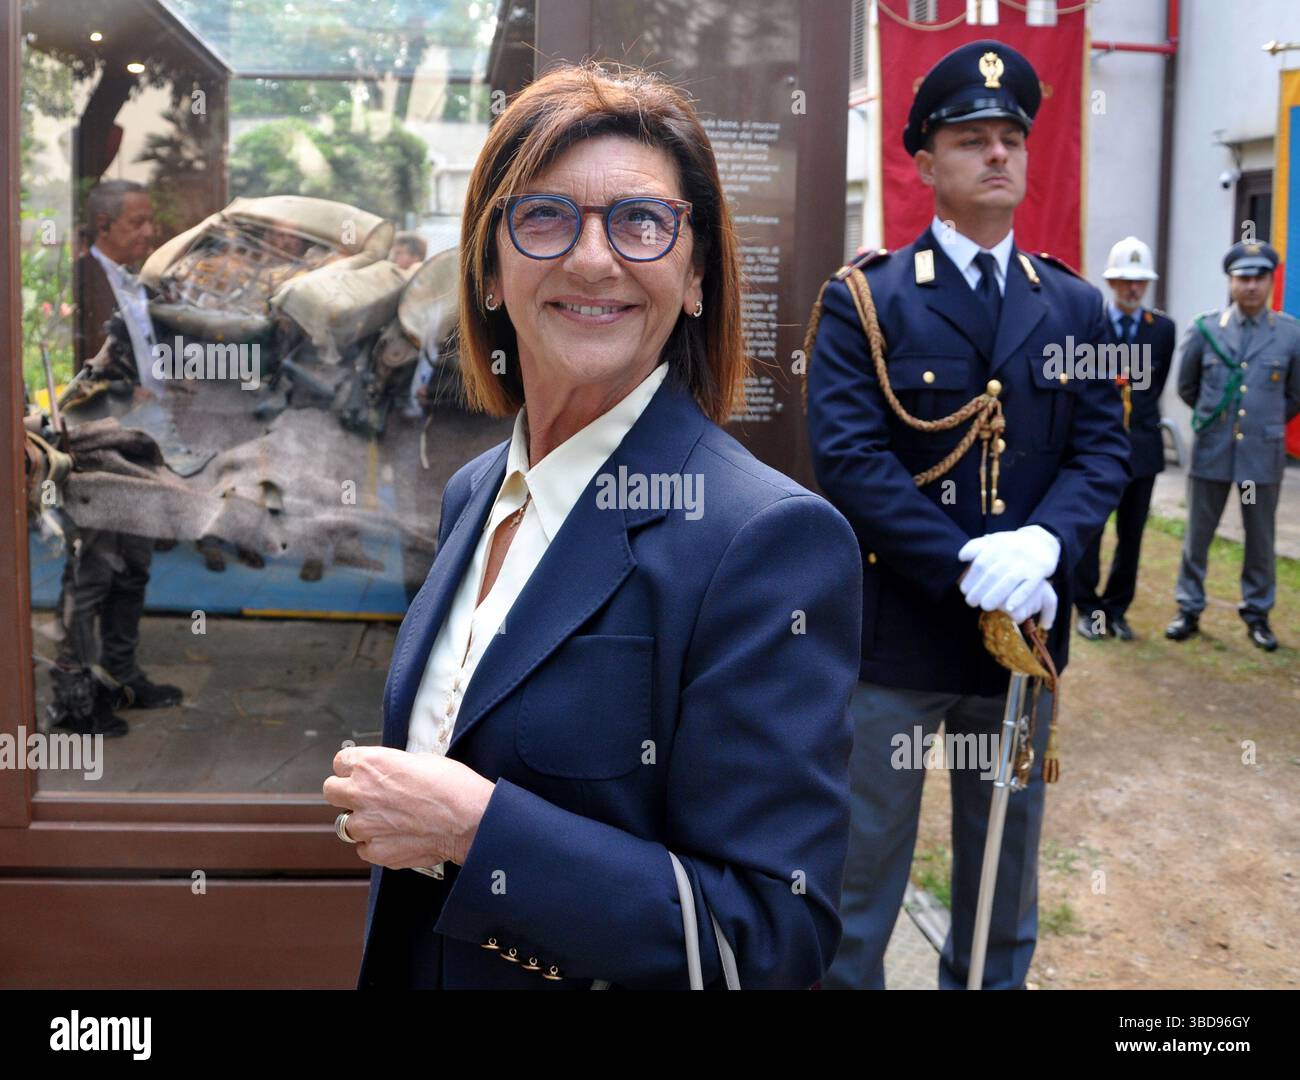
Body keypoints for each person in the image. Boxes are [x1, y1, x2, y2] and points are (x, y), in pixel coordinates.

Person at [325, 61, 863, 989]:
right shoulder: (477, 491)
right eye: (544, 216)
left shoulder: (767, 541)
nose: (592, 259)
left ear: (695, 276)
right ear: (490, 267)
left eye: (642, 222)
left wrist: (470, 828)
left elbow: (768, 941)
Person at [806, 40, 1129, 989]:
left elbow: (1102, 449)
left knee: (1003, 874)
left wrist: (1044, 542)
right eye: (971, 139)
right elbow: (851, 461)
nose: (996, 155)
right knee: (862, 877)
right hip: (899, 639)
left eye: (1011, 140)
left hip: (1022, 641)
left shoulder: (1074, 308)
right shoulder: (868, 302)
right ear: (927, 160)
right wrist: (960, 563)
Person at [50, 180, 182, 738]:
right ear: (103, 228)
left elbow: (142, 354)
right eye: (137, 223)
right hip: (96, 449)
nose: (149, 232)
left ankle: (122, 677)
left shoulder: (136, 283)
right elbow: (75, 373)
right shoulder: (80, 281)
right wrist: (128, 395)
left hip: (140, 446)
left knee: (133, 569)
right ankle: (75, 701)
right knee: (91, 576)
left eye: (150, 221)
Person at [1166, 240, 1300, 651]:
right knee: (1198, 535)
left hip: (1260, 456)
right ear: (1231, 281)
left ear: (1270, 281)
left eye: (1259, 277)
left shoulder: (1290, 334)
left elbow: (1294, 395)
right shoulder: (1205, 329)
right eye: (1243, 278)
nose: (1251, 286)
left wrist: (1264, 423)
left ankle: (1257, 613)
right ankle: (1189, 607)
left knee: (1260, 539)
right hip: (1213, 451)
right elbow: (1188, 387)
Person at [1073, 236, 1175, 641]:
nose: (1133, 289)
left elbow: (1152, 388)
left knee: (1131, 535)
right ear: (1112, 282)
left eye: (1140, 282)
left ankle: (1117, 609)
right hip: (1097, 449)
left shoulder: (1162, 329)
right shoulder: (1090, 326)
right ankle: (1088, 609)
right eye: (1125, 281)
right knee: (1091, 531)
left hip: (1142, 451)